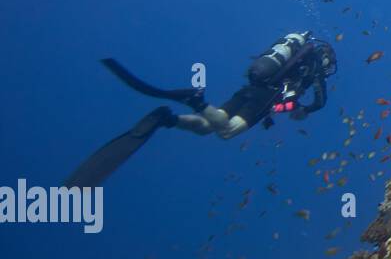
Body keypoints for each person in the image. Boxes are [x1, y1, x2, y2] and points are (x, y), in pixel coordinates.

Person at [65, 32, 338, 187]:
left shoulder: (293, 53)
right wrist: (308, 110)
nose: (326, 70)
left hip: (251, 86)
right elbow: (321, 100)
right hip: (265, 96)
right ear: (325, 59)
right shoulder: (314, 67)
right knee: (227, 132)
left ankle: (167, 119)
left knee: (208, 127)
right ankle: (195, 100)